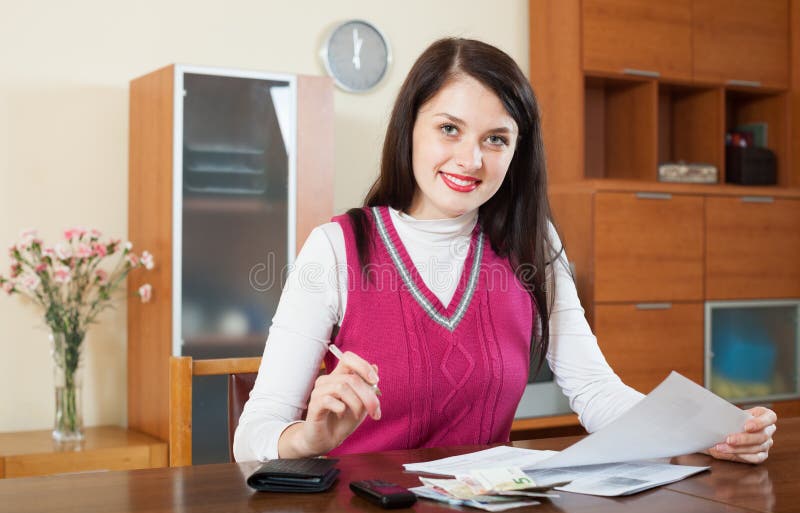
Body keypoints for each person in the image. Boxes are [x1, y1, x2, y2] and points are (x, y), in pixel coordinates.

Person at [233, 38, 777, 464]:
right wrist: (308, 437)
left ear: (517, 151)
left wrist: (710, 434)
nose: (470, 159)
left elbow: (594, 392)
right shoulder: (338, 247)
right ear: (410, 129)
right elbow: (252, 434)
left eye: (496, 139)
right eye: (450, 129)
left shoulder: (532, 242)